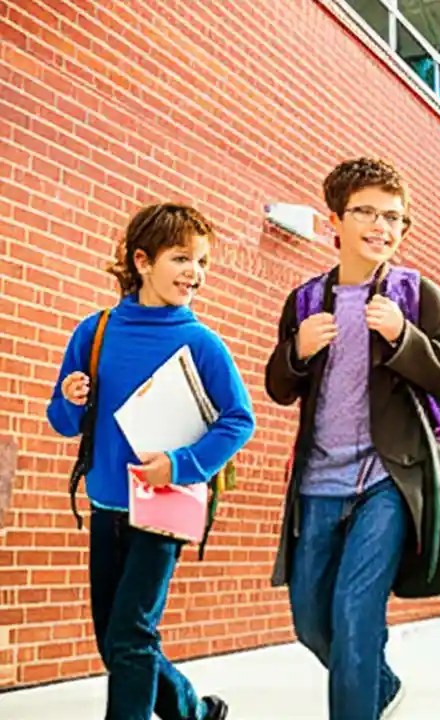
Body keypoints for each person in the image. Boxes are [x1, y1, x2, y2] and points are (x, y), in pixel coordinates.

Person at [265, 157, 440, 720]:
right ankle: (379, 684)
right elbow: (280, 388)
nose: (382, 227)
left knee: (356, 613)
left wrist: (403, 336)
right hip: (317, 482)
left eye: (394, 218)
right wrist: (296, 352)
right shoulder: (304, 301)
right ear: (335, 219)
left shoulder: (419, 295)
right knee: (310, 619)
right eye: (367, 213)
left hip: (389, 479)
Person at [47, 203, 256, 720]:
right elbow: (63, 421)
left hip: (163, 510)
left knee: (132, 635)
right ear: (142, 261)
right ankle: (194, 712)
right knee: (114, 639)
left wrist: (181, 465)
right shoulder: (93, 333)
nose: (195, 273)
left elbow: (238, 420)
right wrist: (70, 400)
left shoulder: (202, 343)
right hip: (105, 505)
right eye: (182, 258)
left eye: (202, 262)